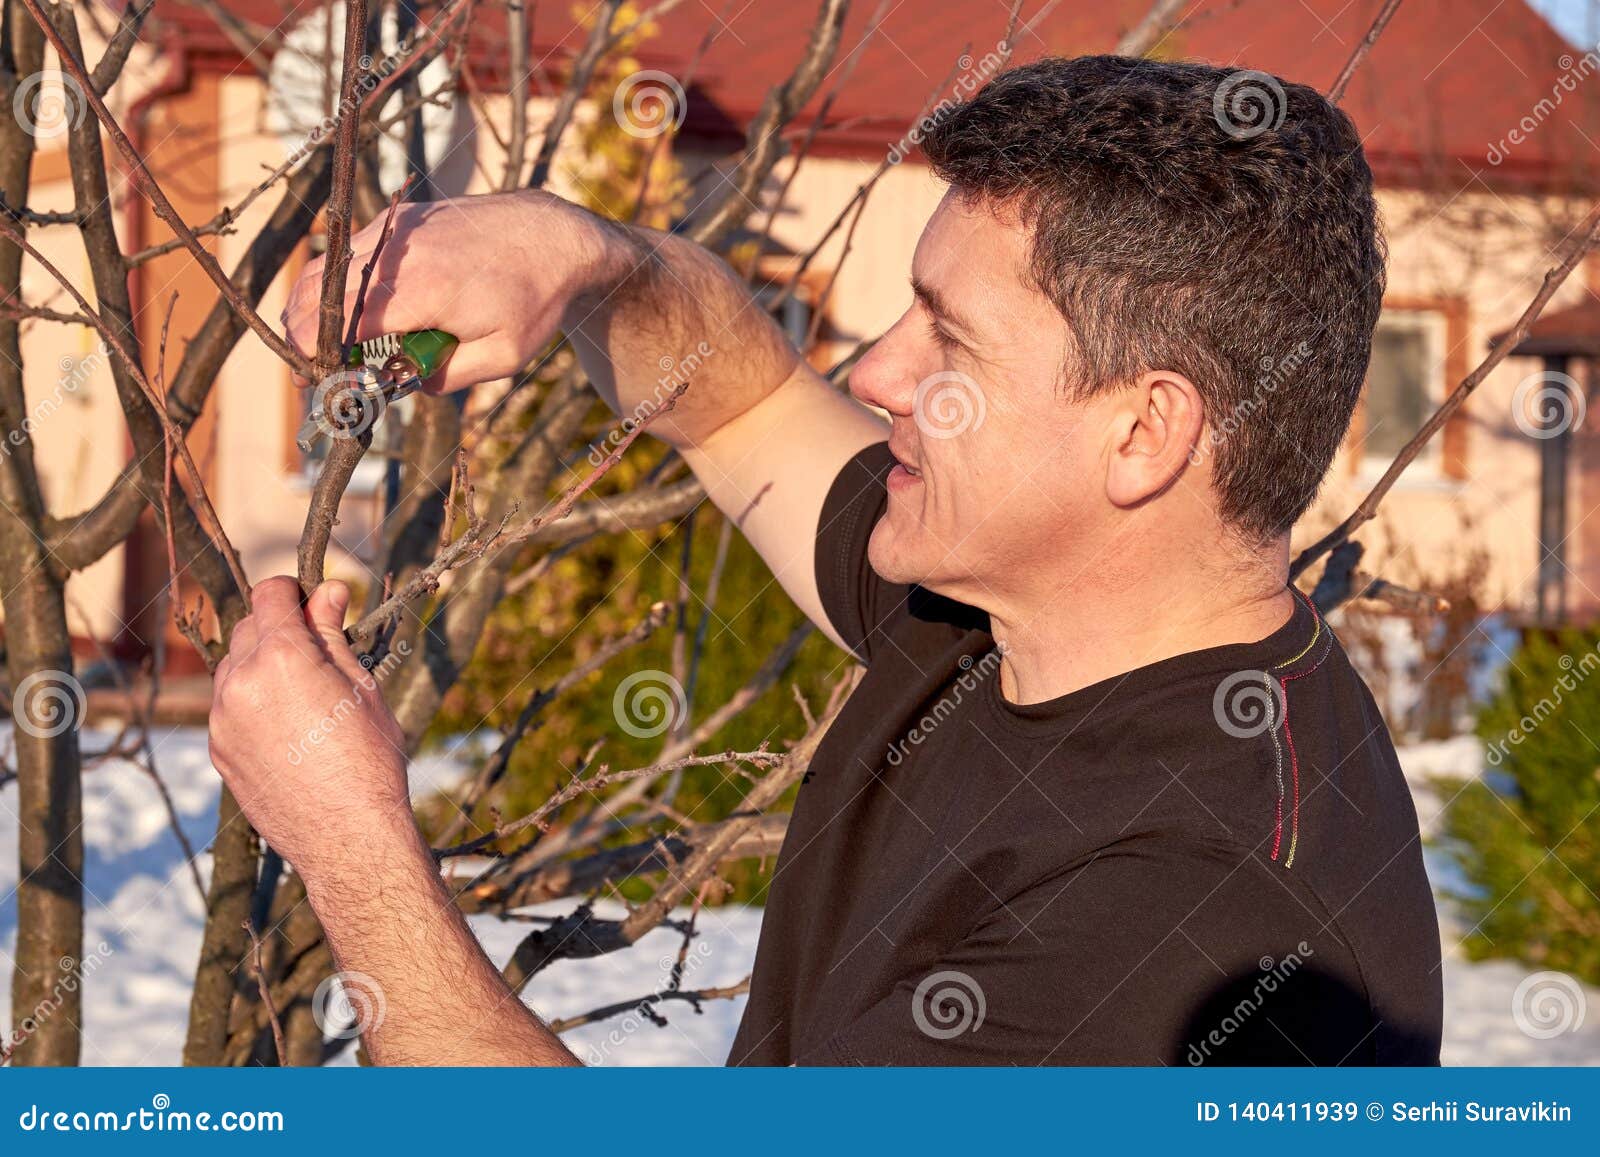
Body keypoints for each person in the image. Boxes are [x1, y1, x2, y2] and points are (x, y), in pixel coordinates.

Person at [209, 55, 1443, 1066]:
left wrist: (352, 843)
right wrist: (575, 256)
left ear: (1142, 433)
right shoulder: (984, 603)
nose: (877, 372)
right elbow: (740, 402)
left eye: (950, 340)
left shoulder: (1194, 925)